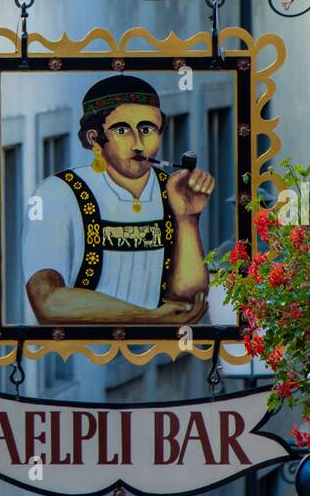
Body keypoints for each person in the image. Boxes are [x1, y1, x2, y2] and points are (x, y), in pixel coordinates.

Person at [22, 74, 214, 326]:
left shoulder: (172, 190)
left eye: (147, 129)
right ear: (94, 138)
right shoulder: (58, 193)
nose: (137, 145)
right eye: (122, 130)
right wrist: (149, 317)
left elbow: (189, 302)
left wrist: (187, 219)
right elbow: (47, 301)